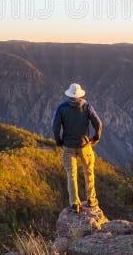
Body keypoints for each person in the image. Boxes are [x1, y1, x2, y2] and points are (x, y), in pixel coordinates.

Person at [52, 81, 103, 213]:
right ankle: (91, 200)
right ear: (79, 95)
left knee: (71, 175)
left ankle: (75, 203)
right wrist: (95, 138)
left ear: (69, 94)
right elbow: (98, 123)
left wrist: (59, 141)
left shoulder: (62, 108)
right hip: (85, 145)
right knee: (89, 172)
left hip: (68, 146)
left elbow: (55, 127)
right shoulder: (86, 106)